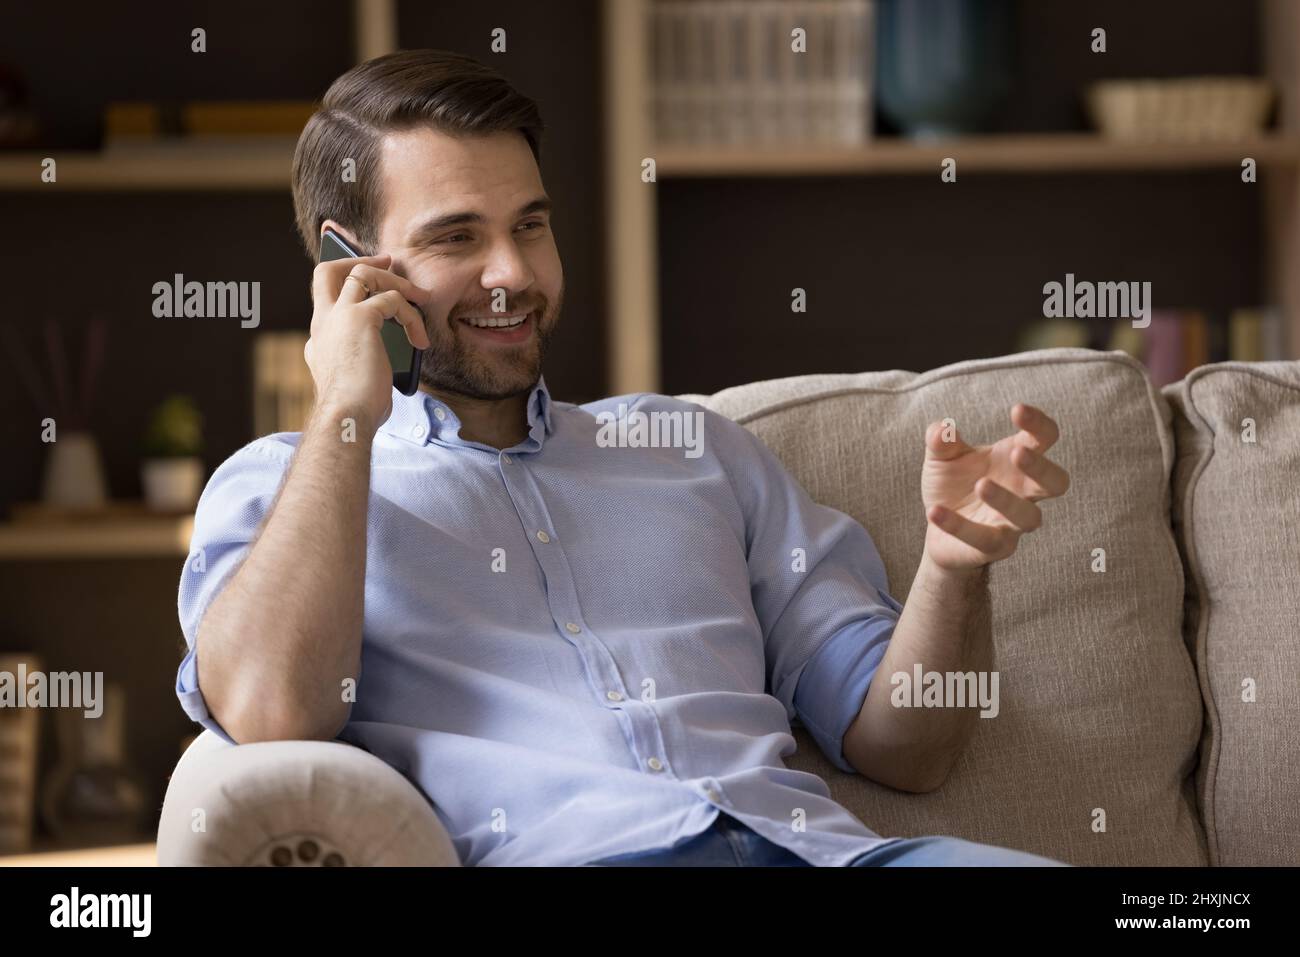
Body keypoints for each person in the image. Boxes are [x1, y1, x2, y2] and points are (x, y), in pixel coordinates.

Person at [175, 50, 1071, 867]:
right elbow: (272, 713)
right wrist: (342, 411)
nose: (512, 273)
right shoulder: (285, 487)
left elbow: (905, 750)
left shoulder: (695, 449)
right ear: (350, 271)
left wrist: (955, 570)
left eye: (530, 225)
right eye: (457, 237)